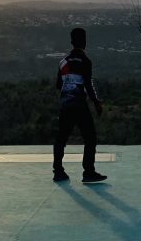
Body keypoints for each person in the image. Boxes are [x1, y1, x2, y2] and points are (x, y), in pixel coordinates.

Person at [53, 27, 107, 183]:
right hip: (80, 105)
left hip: (65, 105)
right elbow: (88, 85)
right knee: (90, 137)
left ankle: (58, 171)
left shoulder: (63, 62)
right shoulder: (85, 61)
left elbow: (58, 85)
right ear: (84, 42)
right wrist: (96, 103)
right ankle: (88, 172)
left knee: (61, 138)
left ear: (71, 42)